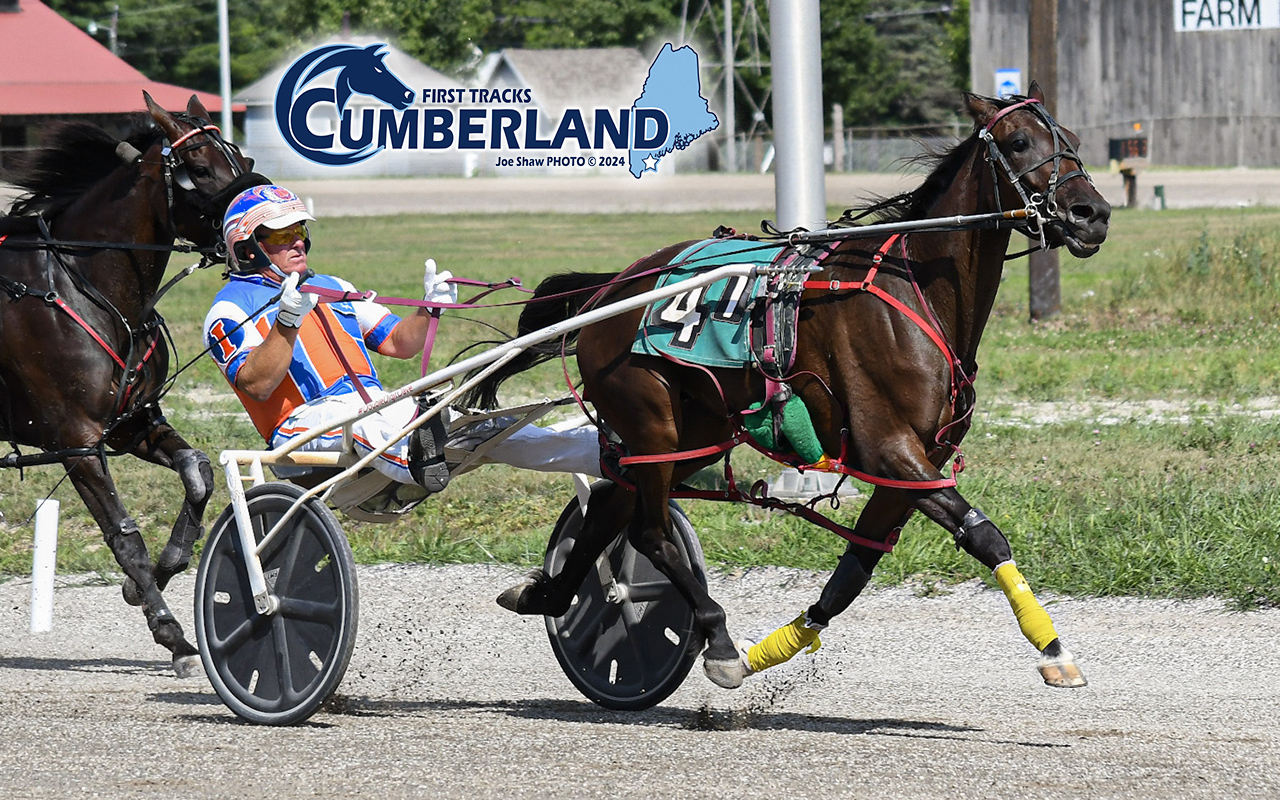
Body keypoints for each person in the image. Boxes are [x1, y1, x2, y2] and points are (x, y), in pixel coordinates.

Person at [203, 184, 601, 494]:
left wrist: (429, 308)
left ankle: (602, 453)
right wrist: (287, 322)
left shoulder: (331, 286)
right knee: (369, 420)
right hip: (300, 431)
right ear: (247, 246)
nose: (298, 241)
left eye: (300, 230)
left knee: (484, 427)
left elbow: (399, 342)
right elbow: (257, 385)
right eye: (280, 235)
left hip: (376, 411)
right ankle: (417, 457)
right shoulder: (229, 309)